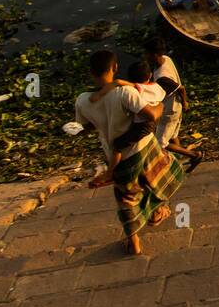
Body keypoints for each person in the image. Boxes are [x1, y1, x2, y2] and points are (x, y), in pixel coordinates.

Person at [74, 50, 185, 256]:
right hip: (143, 147)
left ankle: (134, 242)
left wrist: (104, 123)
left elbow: (85, 126)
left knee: (126, 198)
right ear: (115, 67)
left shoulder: (82, 101)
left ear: (91, 73)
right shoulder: (125, 93)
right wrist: (161, 105)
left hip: (119, 157)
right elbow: (151, 115)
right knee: (156, 180)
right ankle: (157, 211)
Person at [143, 36, 202, 168]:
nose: (145, 56)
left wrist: (185, 102)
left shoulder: (161, 76)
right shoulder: (167, 60)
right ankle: (182, 156)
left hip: (170, 110)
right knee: (173, 135)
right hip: (176, 106)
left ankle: (194, 155)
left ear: (154, 54)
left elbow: (180, 89)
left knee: (160, 143)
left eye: (146, 53)